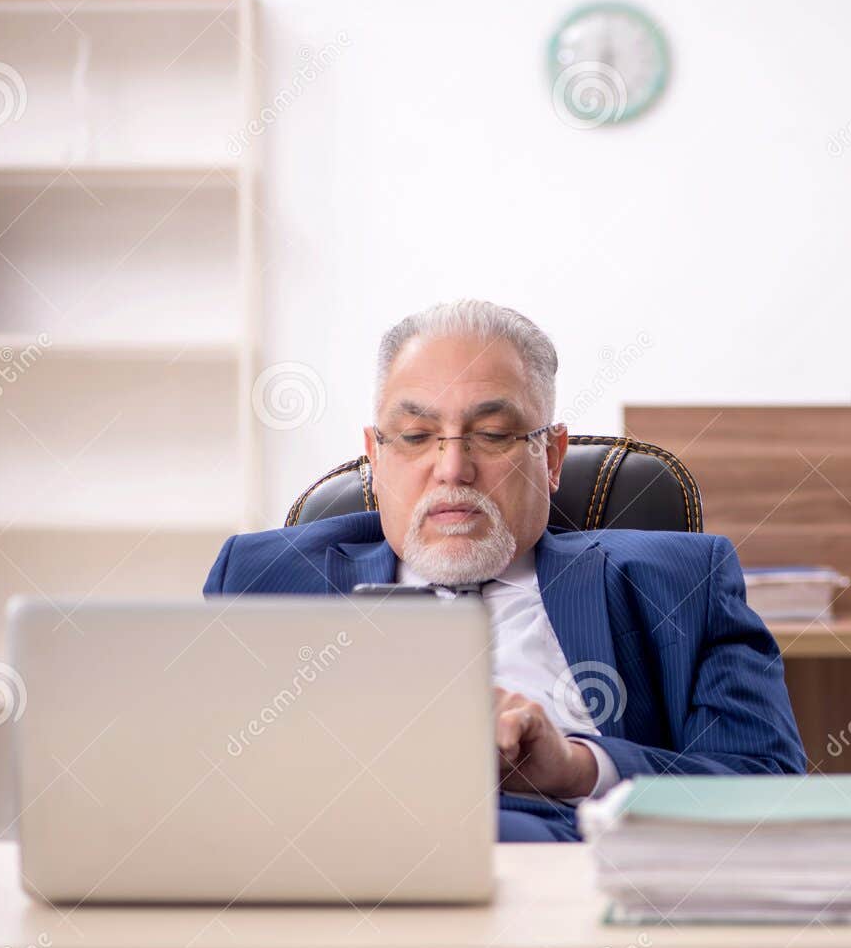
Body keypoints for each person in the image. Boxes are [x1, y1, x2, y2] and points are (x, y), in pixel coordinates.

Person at [204, 299, 806, 840]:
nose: (452, 469)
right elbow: (190, 782)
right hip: (328, 875)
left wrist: (577, 768)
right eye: (415, 435)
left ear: (552, 457)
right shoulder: (261, 577)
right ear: (375, 454)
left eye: (491, 435)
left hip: (558, 871)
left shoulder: (680, 582)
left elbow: (766, 785)